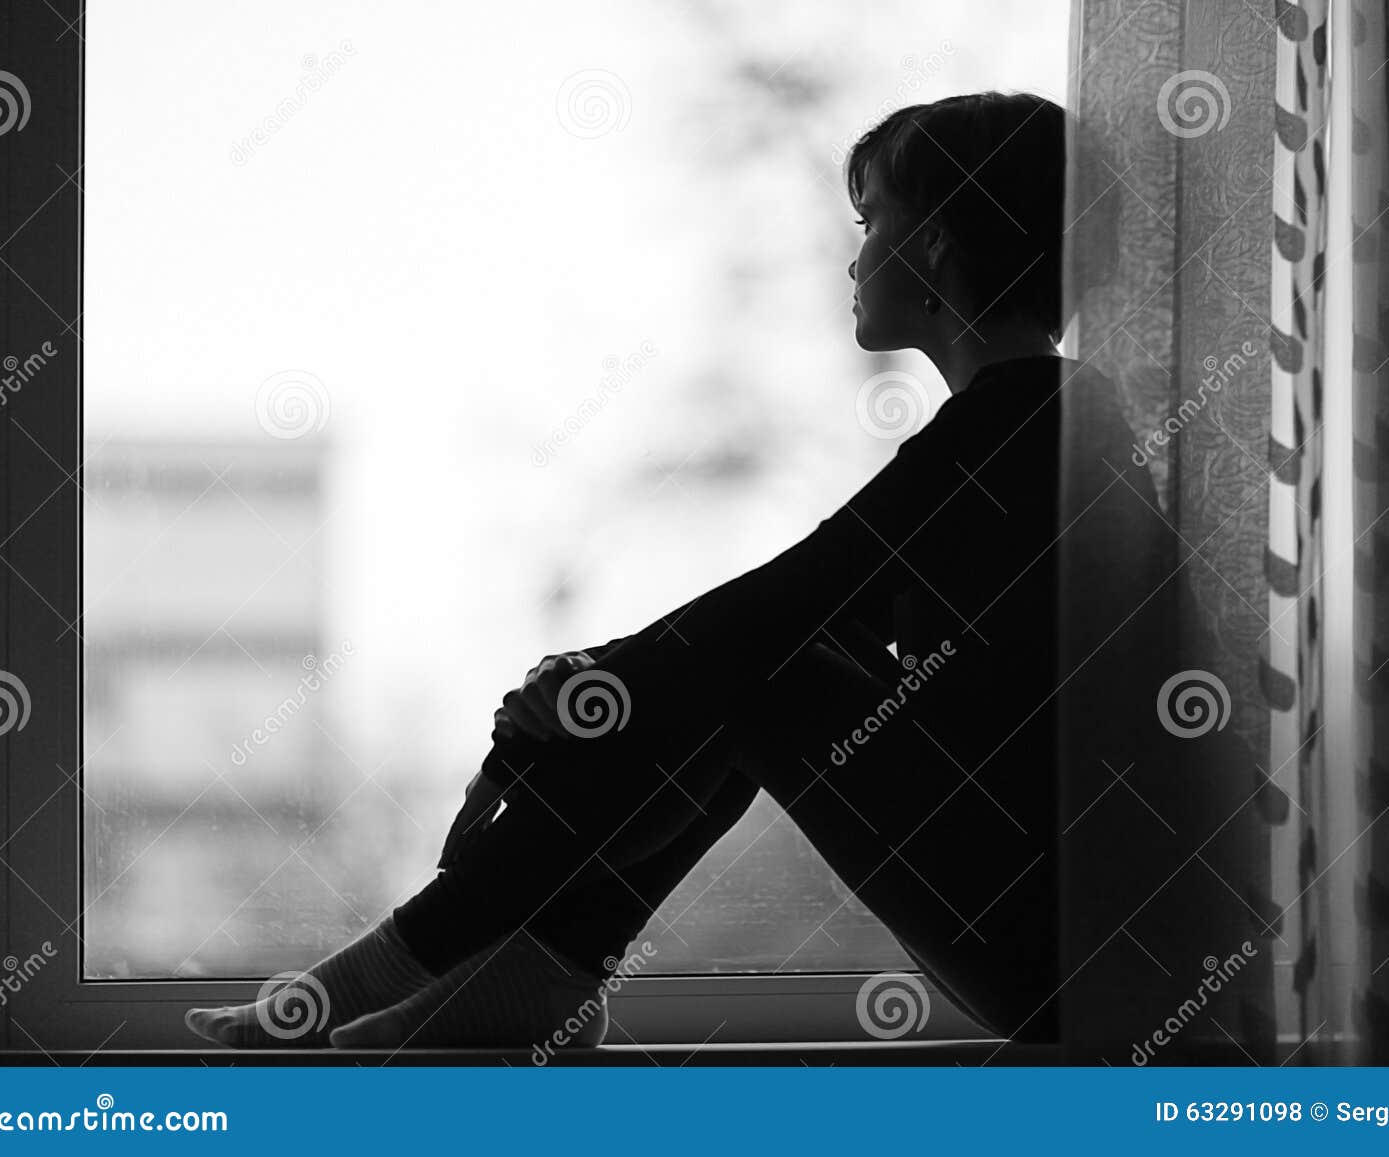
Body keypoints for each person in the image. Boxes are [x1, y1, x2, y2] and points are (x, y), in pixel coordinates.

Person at [187, 89, 1167, 1051]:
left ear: (939, 246)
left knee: (753, 665)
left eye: (871, 221)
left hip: (1056, 948)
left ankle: (403, 970)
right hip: (1052, 937)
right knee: (740, 671)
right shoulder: (1042, 420)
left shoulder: (1026, 422)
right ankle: (527, 973)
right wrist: (602, 682)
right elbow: (800, 616)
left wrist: (590, 682)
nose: (854, 254)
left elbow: (792, 597)